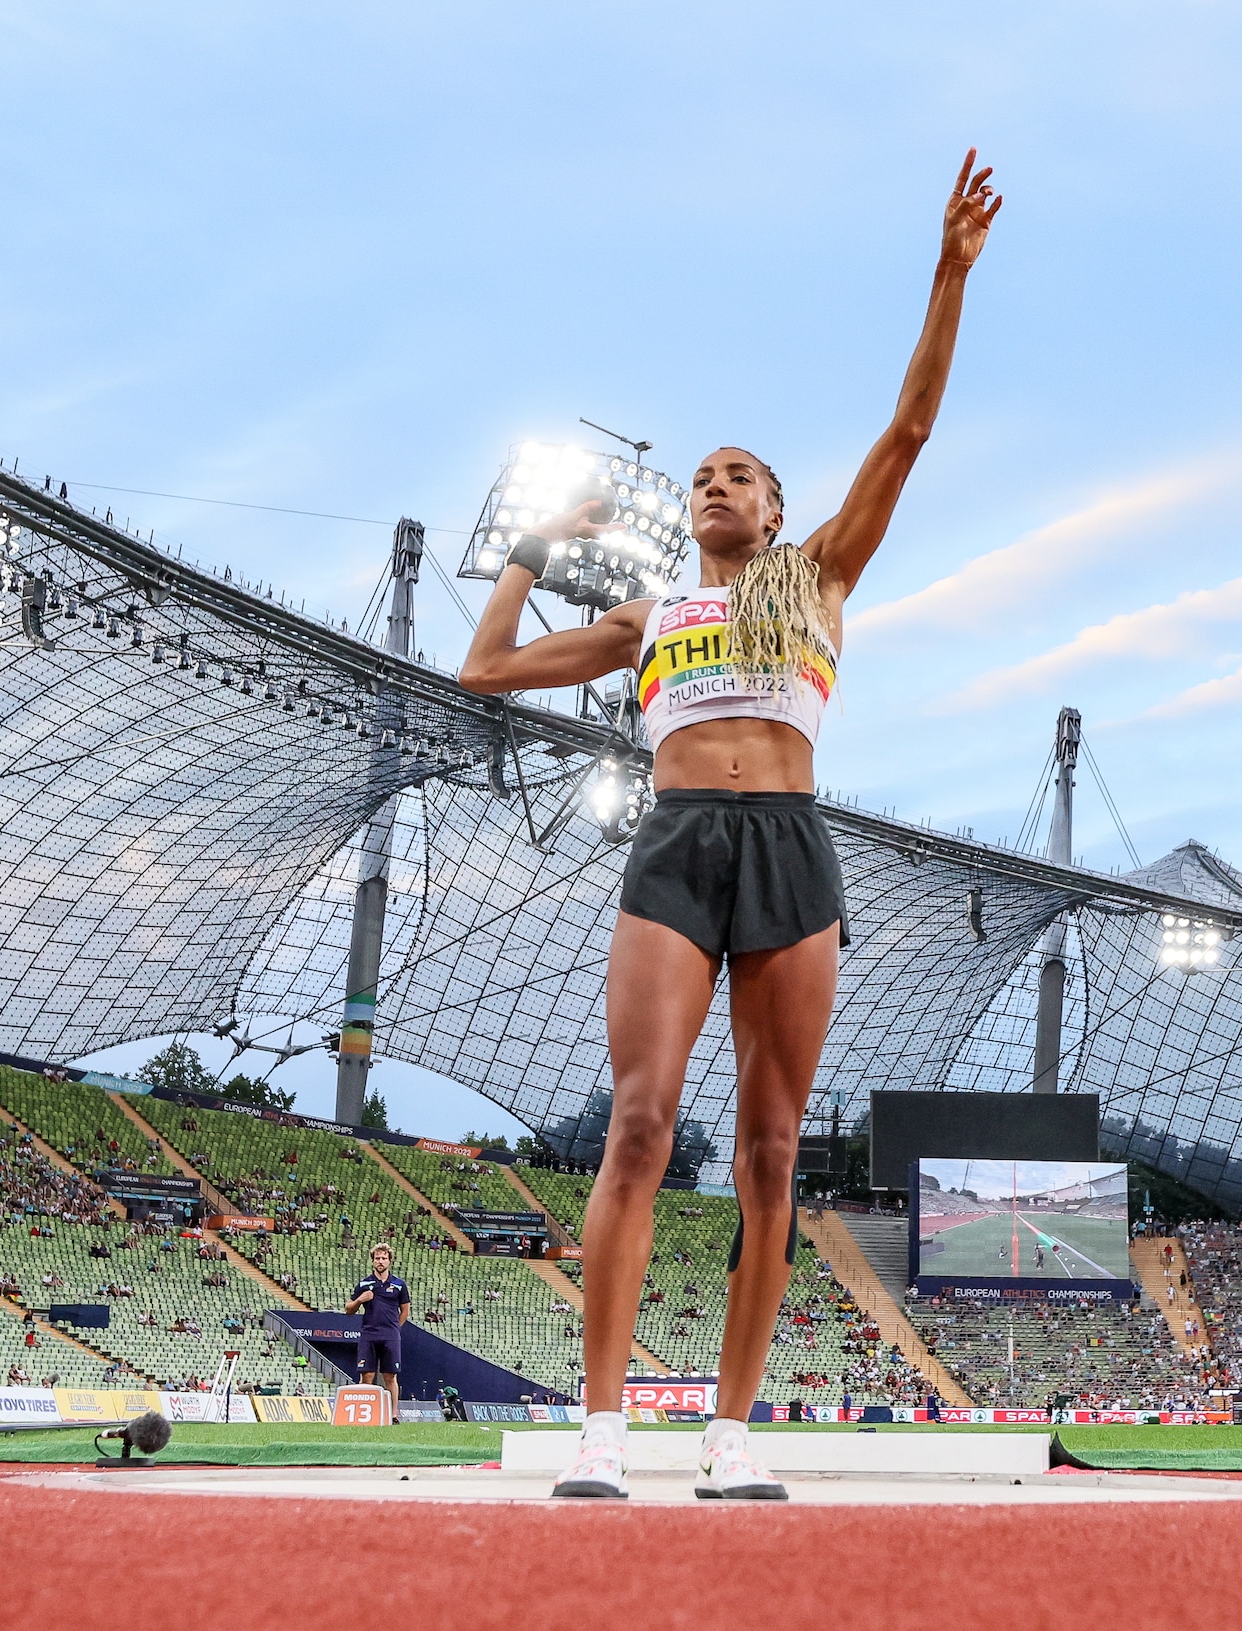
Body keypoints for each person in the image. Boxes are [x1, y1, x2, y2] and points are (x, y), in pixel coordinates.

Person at [459, 149, 1002, 1502]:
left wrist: (945, 277)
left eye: (741, 471)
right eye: (702, 471)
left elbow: (913, 432)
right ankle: (601, 1431)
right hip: (679, 839)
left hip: (791, 848)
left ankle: (730, 1431)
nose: (715, 480)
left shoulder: (819, 575)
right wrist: (535, 541)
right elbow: (486, 668)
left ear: (773, 507)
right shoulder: (650, 617)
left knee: (769, 1147)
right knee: (640, 1123)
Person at [344, 1243, 409, 1412]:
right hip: (369, 1334)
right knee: (367, 1375)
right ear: (373, 1261)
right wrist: (360, 1300)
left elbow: (405, 1310)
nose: (381, 1261)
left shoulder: (399, 1285)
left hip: (390, 1335)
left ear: (390, 1261)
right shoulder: (364, 1284)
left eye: (384, 1258)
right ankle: (362, 1412)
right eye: (377, 1258)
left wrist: (394, 1328)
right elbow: (348, 1309)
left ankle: (393, 1413)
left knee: (390, 1376)